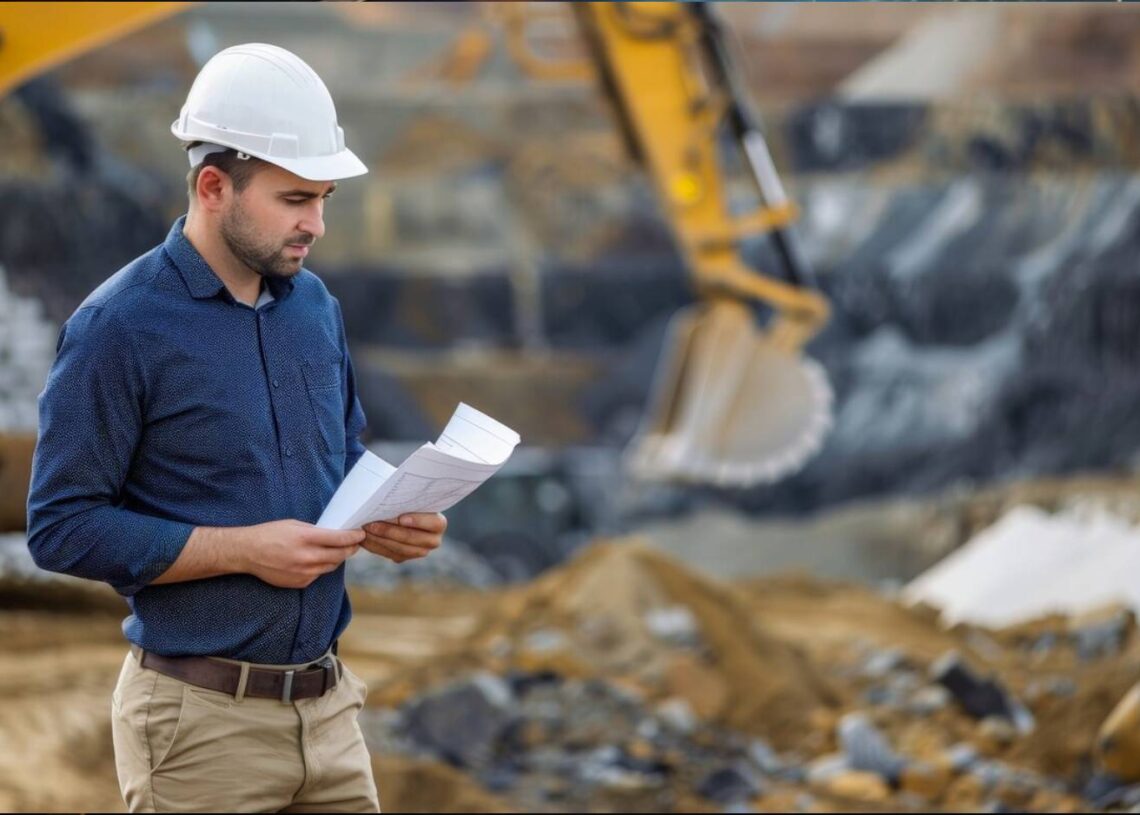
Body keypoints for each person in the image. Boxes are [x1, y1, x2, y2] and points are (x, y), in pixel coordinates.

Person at [25, 42, 446, 813]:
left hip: (330, 714)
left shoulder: (314, 309)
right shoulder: (119, 327)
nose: (316, 223)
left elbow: (340, 457)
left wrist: (392, 516)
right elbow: (61, 526)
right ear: (214, 185)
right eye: (294, 199)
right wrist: (244, 549)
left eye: (323, 198)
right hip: (198, 732)